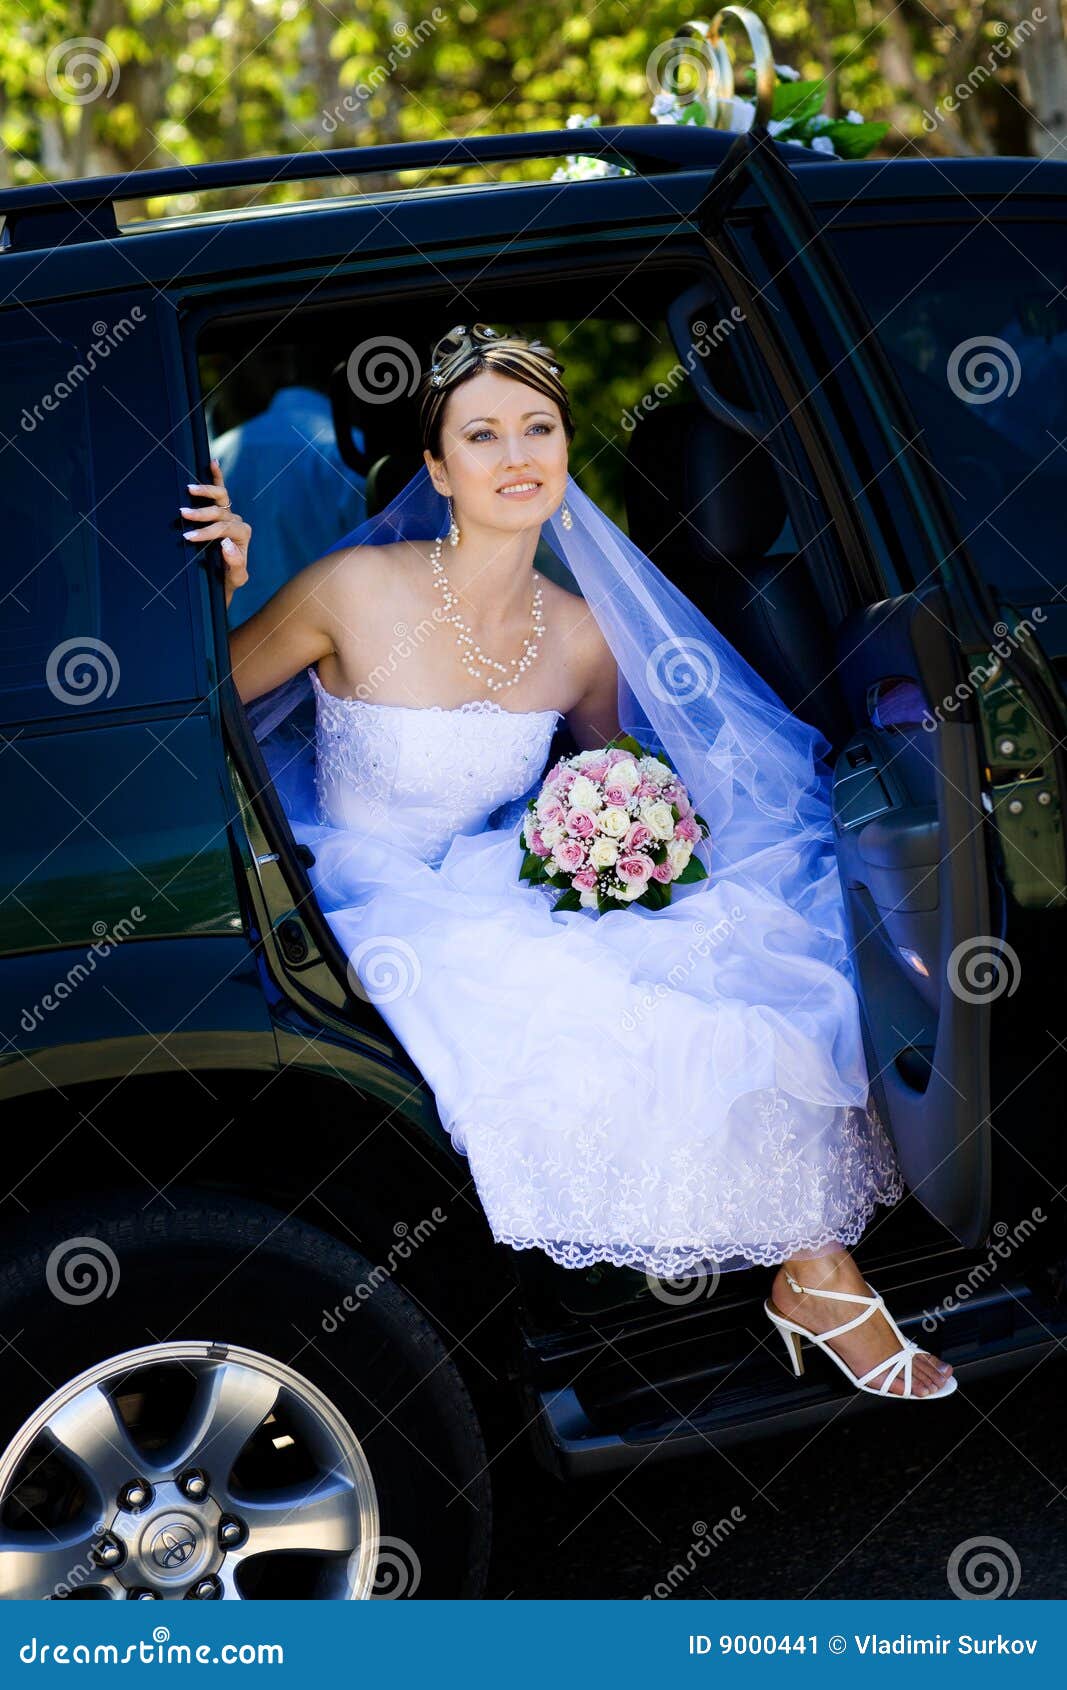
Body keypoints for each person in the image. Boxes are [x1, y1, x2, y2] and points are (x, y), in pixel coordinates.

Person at [178, 324, 956, 1402]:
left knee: (740, 983)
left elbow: (610, 771)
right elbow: (199, 712)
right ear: (439, 469)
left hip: (498, 868)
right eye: (482, 433)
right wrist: (222, 586)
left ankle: (810, 1273)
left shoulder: (582, 631)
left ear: (563, 446)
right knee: (589, 1018)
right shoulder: (352, 589)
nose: (516, 454)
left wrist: (622, 837)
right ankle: (795, 1284)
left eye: (537, 426)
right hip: (369, 881)